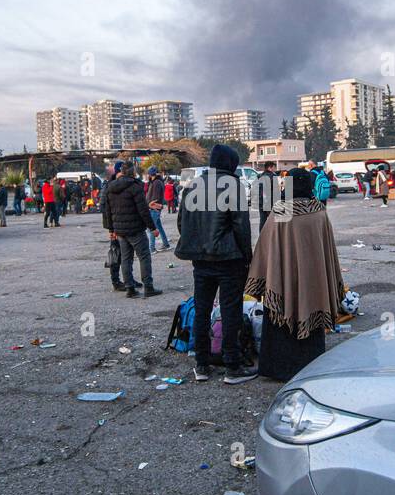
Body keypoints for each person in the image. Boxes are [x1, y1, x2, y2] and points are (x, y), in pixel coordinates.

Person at [245, 168, 345, 380]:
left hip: (283, 285)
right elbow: (328, 251)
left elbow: (266, 248)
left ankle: (280, 369)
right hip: (314, 287)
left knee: (280, 324)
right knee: (312, 324)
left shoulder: (281, 211)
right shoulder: (319, 210)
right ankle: (310, 366)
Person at [176, 144, 258, 384]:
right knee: (230, 310)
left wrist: (198, 245)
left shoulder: (191, 186)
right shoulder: (233, 186)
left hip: (200, 260)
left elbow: (183, 222)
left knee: (202, 309)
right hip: (228, 259)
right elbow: (241, 226)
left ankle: (201, 365)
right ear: (229, 164)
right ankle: (232, 366)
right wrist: (247, 257)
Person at [106, 164, 161, 298]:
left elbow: (108, 210)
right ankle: (148, 286)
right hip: (136, 229)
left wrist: (111, 229)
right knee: (144, 257)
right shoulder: (135, 187)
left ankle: (130, 288)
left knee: (126, 259)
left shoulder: (111, 187)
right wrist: (153, 228)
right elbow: (143, 210)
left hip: (120, 231)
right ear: (133, 173)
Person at [99, 167, 126, 291]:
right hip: (115, 226)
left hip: (122, 224)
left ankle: (128, 279)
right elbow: (105, 209)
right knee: (116, 253)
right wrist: (111, 229)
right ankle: (115, 281)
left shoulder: (118, 185)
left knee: (126, 254)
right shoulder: (109, 187)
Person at [144, 166, 172, 251]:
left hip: (154, 208)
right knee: (159, 227)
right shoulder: (156, 181)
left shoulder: (156, 182)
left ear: (150, 174)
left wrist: (149, 204)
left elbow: (155, 197)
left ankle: (151, 248)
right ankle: (166, 244)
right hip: (155, 208)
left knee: (152, 228)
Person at [256, 160, 279, 231]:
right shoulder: (272, 176)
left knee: (262, 220)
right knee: (274, 221)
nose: (274, 169)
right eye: (273, 168)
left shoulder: (260, 176)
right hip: (270, 202)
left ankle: (261, 237)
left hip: (262, 201)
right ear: (269, 168)